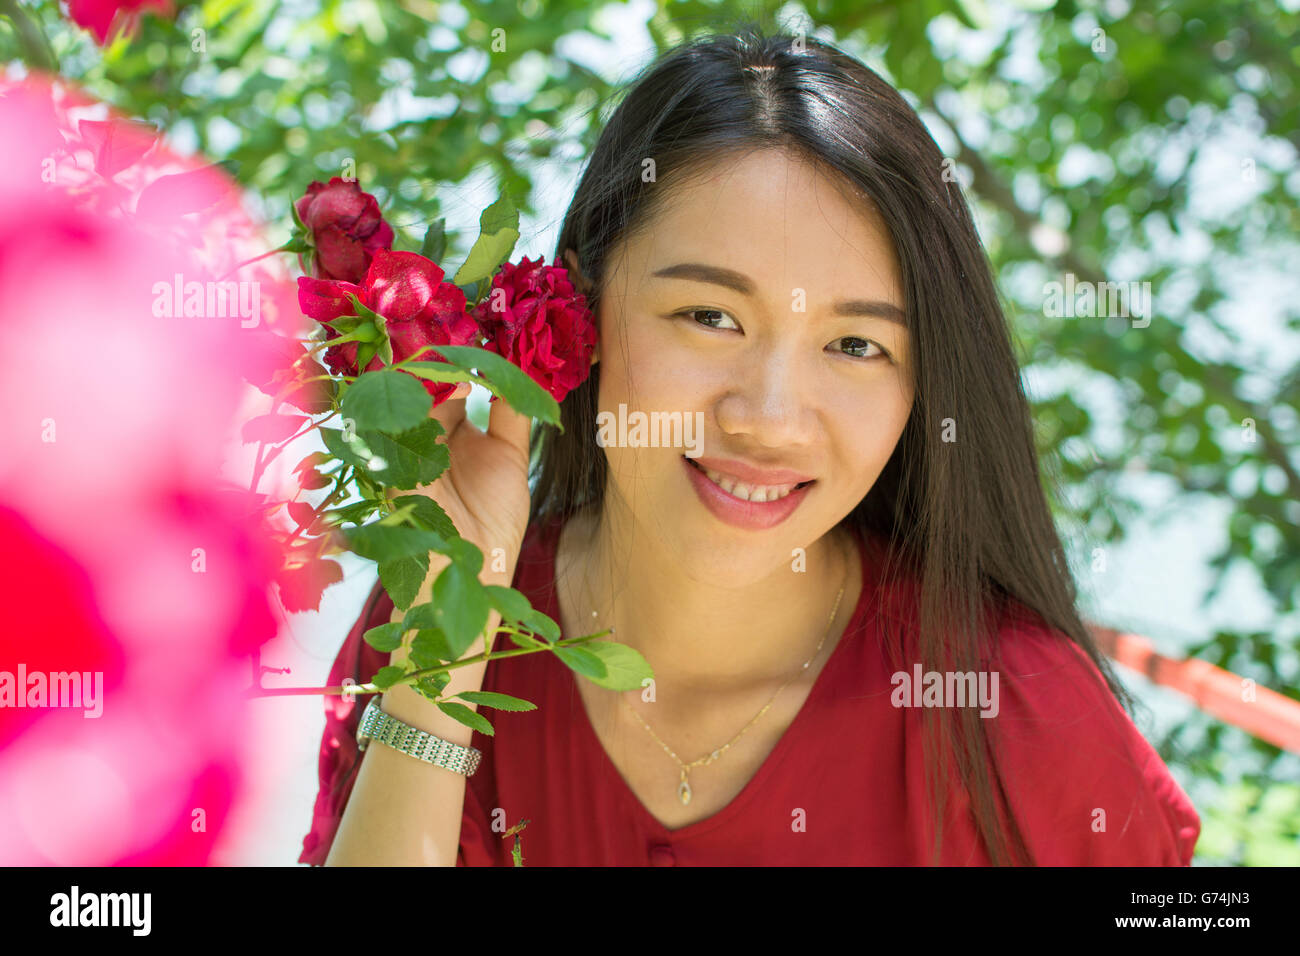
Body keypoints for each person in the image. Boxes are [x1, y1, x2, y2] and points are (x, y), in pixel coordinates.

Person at [300, 26, 1201, 866]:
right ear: (582, 309)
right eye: (709, 316)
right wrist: (445, 651)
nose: (768, 419)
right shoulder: (440, 615)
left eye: (856, 345)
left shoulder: (1019, 714)